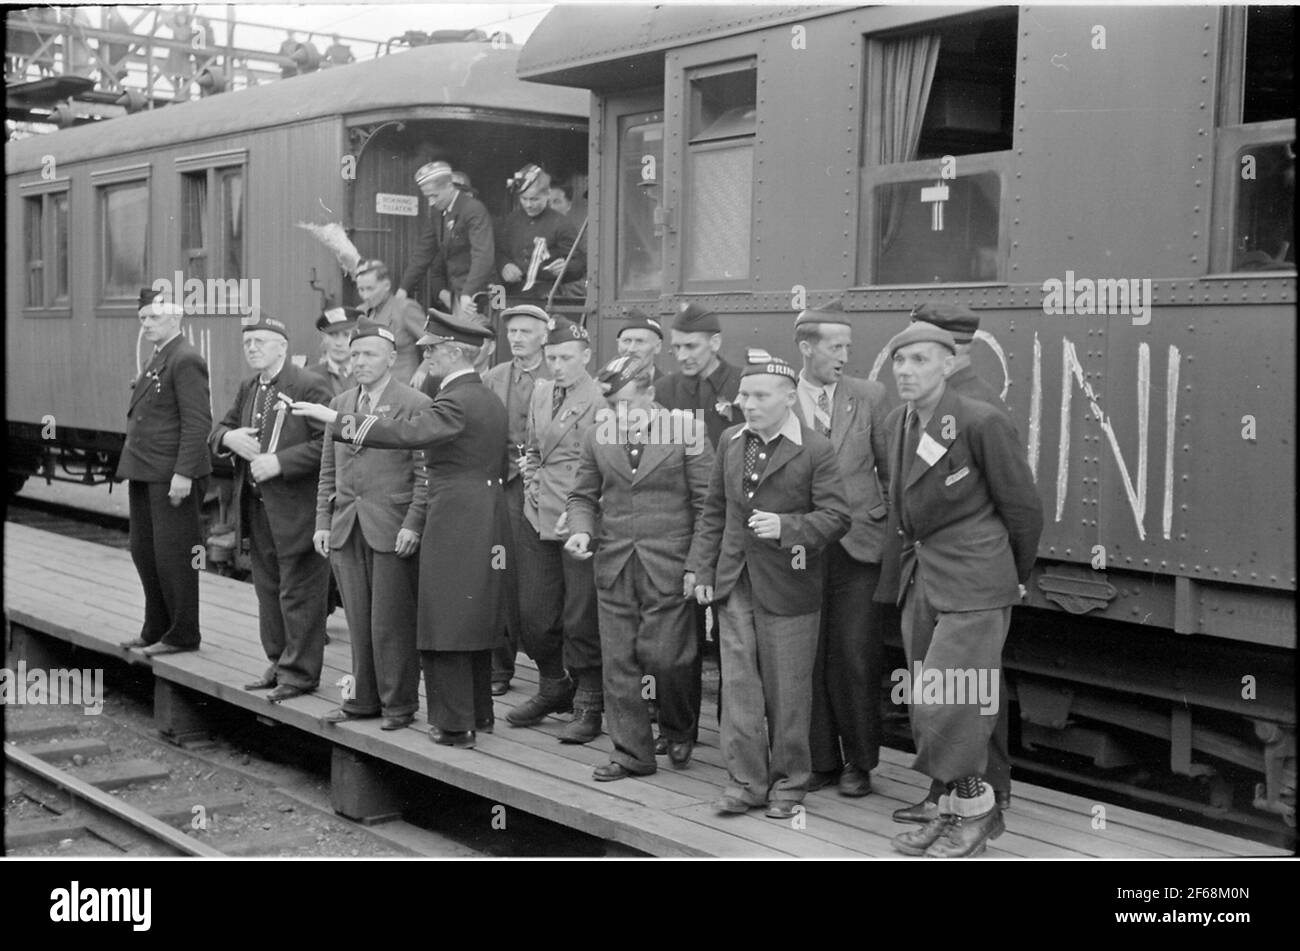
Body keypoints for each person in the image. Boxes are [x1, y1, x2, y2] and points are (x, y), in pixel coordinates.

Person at [299, 312, 509, 748]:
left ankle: (453, 725)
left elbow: (406, 435)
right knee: (467, 620)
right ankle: (477, 715)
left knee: (443, 624)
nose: (427, 355)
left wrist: (336, 422)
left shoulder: (453, 400)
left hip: (454, 522)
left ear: (454, 352)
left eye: (432, 349)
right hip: (479, 517)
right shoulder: (485, 397)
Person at [880, 321, 1042, 858]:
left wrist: (1008, 577)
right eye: (899, 362)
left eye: (920, 361)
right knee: (936, 701)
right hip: (924, 580)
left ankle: (975, 816)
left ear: (949, 364)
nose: (906, 371)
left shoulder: (980, 419)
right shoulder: (900, 421)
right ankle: (951, 809)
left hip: (975, 582)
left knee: (951, 704)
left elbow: (1023, 509)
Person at [687, 350, 850, 819]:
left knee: (788, 691)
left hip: (789, 584)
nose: (748, 403)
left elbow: (838, 517)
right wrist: (702, 572)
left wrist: (787, 528)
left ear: (787, 399)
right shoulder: (732, 442)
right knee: (739, 687)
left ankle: (789, 784)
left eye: (760, 396)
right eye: (744, 395)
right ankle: (745, 783)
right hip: (735, 581)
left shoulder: (816, 449)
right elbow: (714, 513)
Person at [566, 355, 714, 780]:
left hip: (669, 565)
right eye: (612, 407)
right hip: (614, 564)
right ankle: (632, 754)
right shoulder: (597, 436)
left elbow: (708, 505)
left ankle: (679, 727)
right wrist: (581, 531)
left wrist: (697, 566)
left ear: (651, 393)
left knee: (668, 659)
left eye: (628, 404)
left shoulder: (687, 432)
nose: (619, 415)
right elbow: (582, 496)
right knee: (619, 663)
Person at [789, 301, 893, 799]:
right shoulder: (779, 398)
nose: (844, 356)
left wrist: (886, 522)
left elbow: (892, 471)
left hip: (858, 547)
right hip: (802, 548)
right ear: (806, 348)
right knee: (807, 656)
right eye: (836, 346)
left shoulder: (869, 395)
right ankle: (821, 761)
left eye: (848, 347)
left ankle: (860, 763)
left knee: (854, 654)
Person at [210, 313, 334, 702]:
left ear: (282, 346)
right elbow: (218, 429)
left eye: (260, 341)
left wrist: (282, 462)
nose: (252, 348)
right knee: (268, 590)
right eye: (248, 343)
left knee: (300, 591)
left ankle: (300, 673)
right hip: (257, 508)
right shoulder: (250, 386)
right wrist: (229, 437)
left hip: (296, 508)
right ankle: (279, 662)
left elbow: (330, 443)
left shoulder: (309, 385)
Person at [313, 320, 429, 731]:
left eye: (369, 354)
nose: (359, 361)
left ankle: (398, 705)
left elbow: (424, 473)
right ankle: (362, 700)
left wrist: (414, 523)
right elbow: (329, 468)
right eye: (355, 353)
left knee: (392, 623)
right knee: (358, 619)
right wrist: (323, 522)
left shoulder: (414, 403)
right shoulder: (341, 401)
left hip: (392, 526)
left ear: (392, 359)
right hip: (348, 524)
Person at [506, 315, 603, 742]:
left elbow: (605, 466)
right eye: (552, 356)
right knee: (535, 614)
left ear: (586, 356)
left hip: (578, 518)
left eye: (567, 357)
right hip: (537, 514)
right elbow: (532, 448)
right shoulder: (542, 392)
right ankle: (553, 685)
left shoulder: (601, 400)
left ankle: (590, 701)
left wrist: (585, 513)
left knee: (581, 617)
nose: (558, 365)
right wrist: (529, 479)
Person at [657, 301, 744, 741]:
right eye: (676, 347)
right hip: (682, 525)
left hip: (733, 525)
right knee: (681, 635)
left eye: (691, 346)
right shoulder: (666, 390)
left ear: (715, 343)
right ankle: (678, 732)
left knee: (734, 639)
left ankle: (734, 732)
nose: (683, 354)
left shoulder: (743, 385)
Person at [117, 288, 212, 657]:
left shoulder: (185, 358)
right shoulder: (162, 355)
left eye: (154, 317)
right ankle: (156, 627)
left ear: (175, 317)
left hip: (170, 473)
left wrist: (184, 473)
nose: (146, 324)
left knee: (175, 554)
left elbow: (197, 420)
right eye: (143, 318)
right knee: (144, 550)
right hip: (145, 469)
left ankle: (183, 633)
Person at [481, 303, 553, 695]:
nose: (518, 338)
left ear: (544, 334)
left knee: (540, 584)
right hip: (503, 488)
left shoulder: (558, 376)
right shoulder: (493, 378)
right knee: (499, 574)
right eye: (512, 332)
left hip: (546, 493)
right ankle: (498, 667)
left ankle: (551, 673)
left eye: (526, 331)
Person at [398, 162, 495, 322]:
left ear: (449, 186)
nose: (431, 202)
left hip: (479, 295)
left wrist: (468, 293)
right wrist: (403, 289)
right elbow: (423, 253)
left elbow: (483, 255)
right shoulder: (438, 214)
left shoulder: (473, 209)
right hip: (459, 294)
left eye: (434, 196)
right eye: (427, 197)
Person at [495, 163, 585, 303]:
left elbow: (579, 263)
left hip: (545, 296)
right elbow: (499, 252)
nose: (528, 205)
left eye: (534, 199)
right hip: (510, 294)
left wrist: (566, 267)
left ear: (547, 194)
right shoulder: (511, 221)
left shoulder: (562, 224)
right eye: (524, 199)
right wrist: (504, 266)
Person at [354, 259, 426, 386]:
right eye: (361, 289)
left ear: (386, 285)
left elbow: (435, 342)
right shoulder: (360, 312)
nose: (365, 295)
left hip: (401, 384)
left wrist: (423, 370)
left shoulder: (405, 308)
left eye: (370, 289)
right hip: (368, 386)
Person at [316, 304, 360, 397]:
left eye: (346, 335)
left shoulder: (371, 375)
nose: (339, 343)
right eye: (333, 335)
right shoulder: (309, 377)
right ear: (323, 337)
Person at [616, 309, 664, 377]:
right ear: (618, 344)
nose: (631, 349)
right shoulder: (602, 385)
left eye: (640, 341)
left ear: (657, 347)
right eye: (627, 341)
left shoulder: (670, 387)